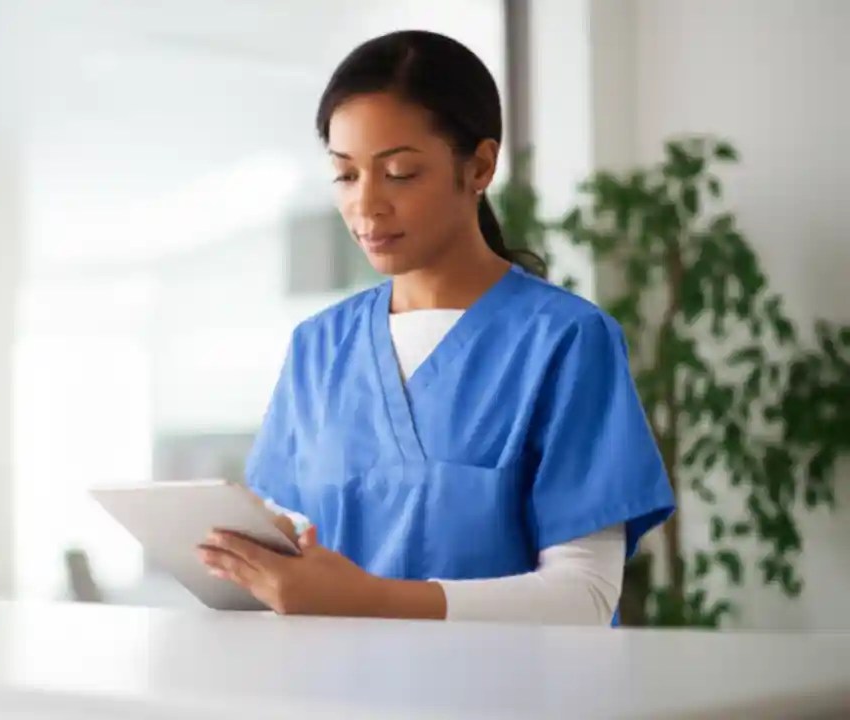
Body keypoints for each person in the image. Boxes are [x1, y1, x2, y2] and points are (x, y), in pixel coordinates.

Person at [197, 30, 675, 625]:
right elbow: (290, 551)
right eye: (346, 176)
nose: (367, 206)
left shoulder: (566, 342)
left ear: (479, 165)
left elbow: (585, 595)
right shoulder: (317, 347)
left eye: (398, 173)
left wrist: (369, 601)